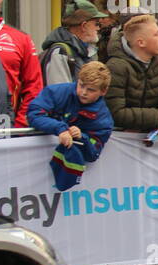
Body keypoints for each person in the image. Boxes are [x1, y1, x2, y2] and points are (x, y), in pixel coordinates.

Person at [27, 61, 114, 191]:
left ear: (103, 91)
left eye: (91, 90)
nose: (83, 92)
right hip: (33, 164)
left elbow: (94, 153)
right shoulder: (56, 92)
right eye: (81, 85)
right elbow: (34, 114)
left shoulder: (103, 118)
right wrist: (60, 129)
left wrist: (82, 137)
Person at [104, 13, 158, 134]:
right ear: (141, 42)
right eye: (156, 34)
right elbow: (115, 112)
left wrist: (151, 122)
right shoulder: (116, 67)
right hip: (120, 141)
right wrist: (156, 119)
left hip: (153, 140)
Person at [40, 0, 102, 86]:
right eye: (97, 24)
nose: (98, 28)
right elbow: (60, 94)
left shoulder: (89, 51)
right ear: (83, 26)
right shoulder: (59, 53)